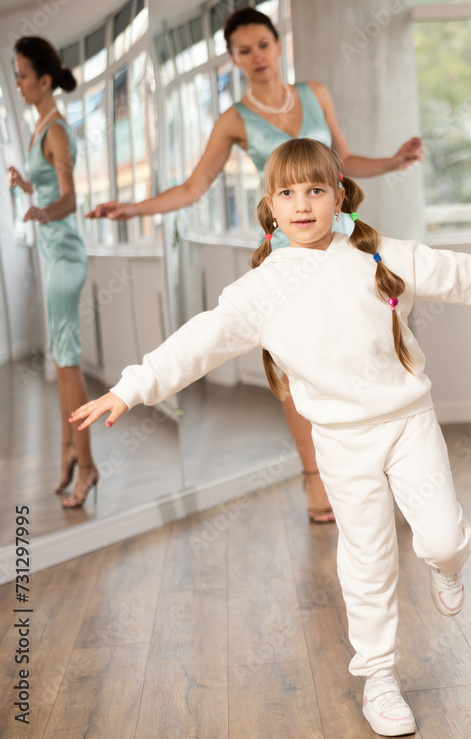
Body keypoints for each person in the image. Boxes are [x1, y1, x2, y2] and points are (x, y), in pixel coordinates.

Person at [70, 138, 471, 736]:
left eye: (315, 189)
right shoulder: (260, 290)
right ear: (269, 205)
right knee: (367, 556)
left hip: (409, 421)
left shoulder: (376, 254)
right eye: (287, 192)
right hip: (339, 439)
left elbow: (461, 272)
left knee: (440, 540)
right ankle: (379, 678)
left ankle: (447, 565)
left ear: (339, 195)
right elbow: (199, 338)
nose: (302, 203)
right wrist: (133, 386)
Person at [87, 7, 423, 524]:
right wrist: (132, 209)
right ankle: (315, 477)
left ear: (277, 43)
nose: (256, 57)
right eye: (244, 50)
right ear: (233, 59)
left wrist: (394, 162)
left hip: (341, 241)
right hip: (288, 256)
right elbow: (194, 187)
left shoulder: (316, 93)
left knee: (364, 348)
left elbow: (345, 162)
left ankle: (381, 467)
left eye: (263, 45)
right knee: (299, 364)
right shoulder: (234, 119)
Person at [8, 37, 98, 508]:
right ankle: (68, 452)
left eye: (22, 74)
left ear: (44, 81)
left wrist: (43, 211)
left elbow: (71, 199)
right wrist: (27, 186)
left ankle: (87, 465)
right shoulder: (40, 125)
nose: (17, 81)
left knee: (67, 366)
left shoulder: (57, 130)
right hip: (54, 257)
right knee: (62, 363)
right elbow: (47, 187)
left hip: (65, 259)